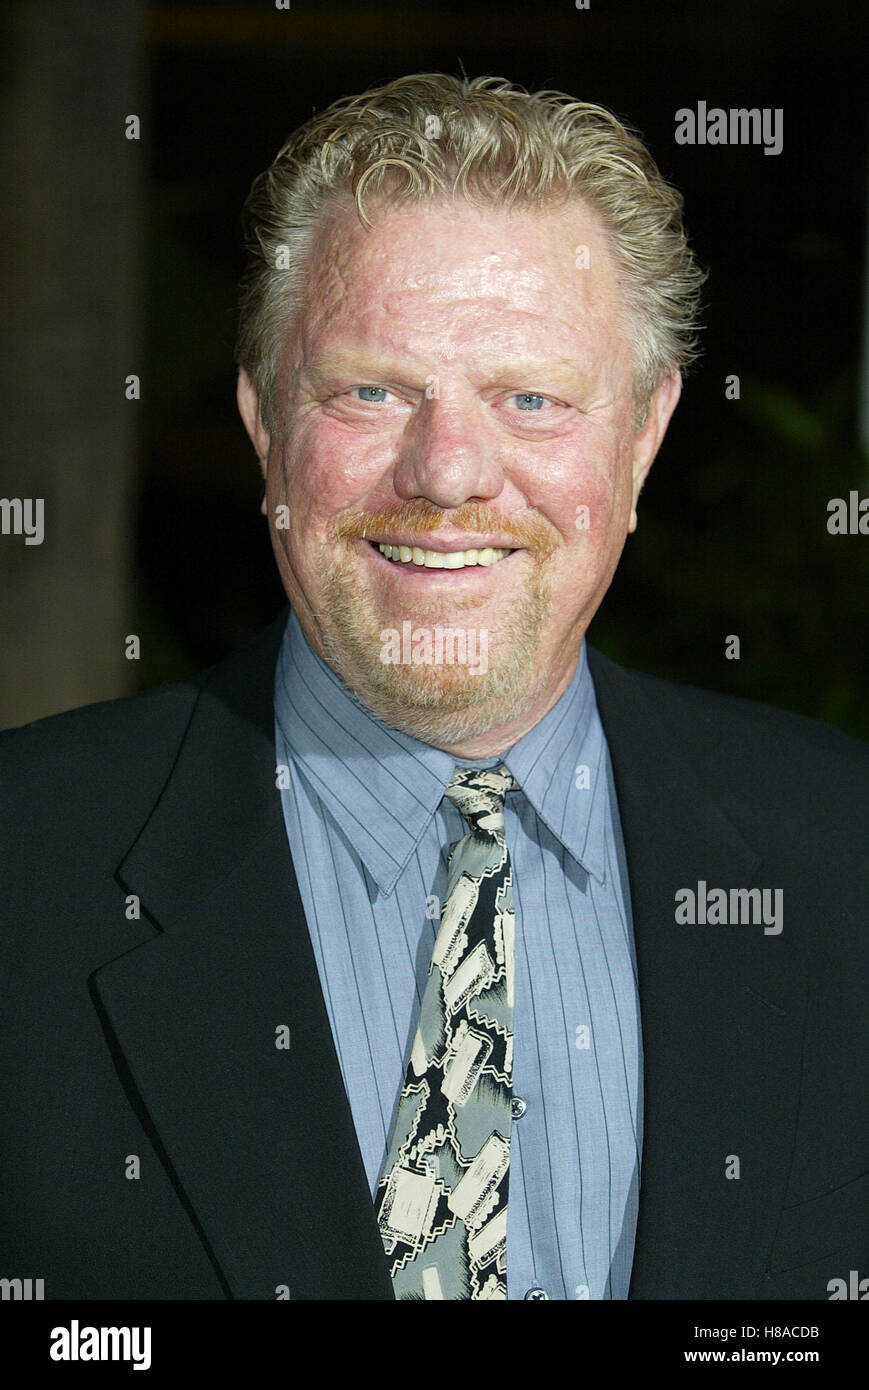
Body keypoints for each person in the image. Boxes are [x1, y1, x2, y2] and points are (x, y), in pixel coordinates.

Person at [1, 73, 866, 1302]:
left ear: (640, 438)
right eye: (370, 390)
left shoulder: (843, 853)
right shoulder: (21, 865)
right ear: (262, 420)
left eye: (530, 397)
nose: (449, 469)